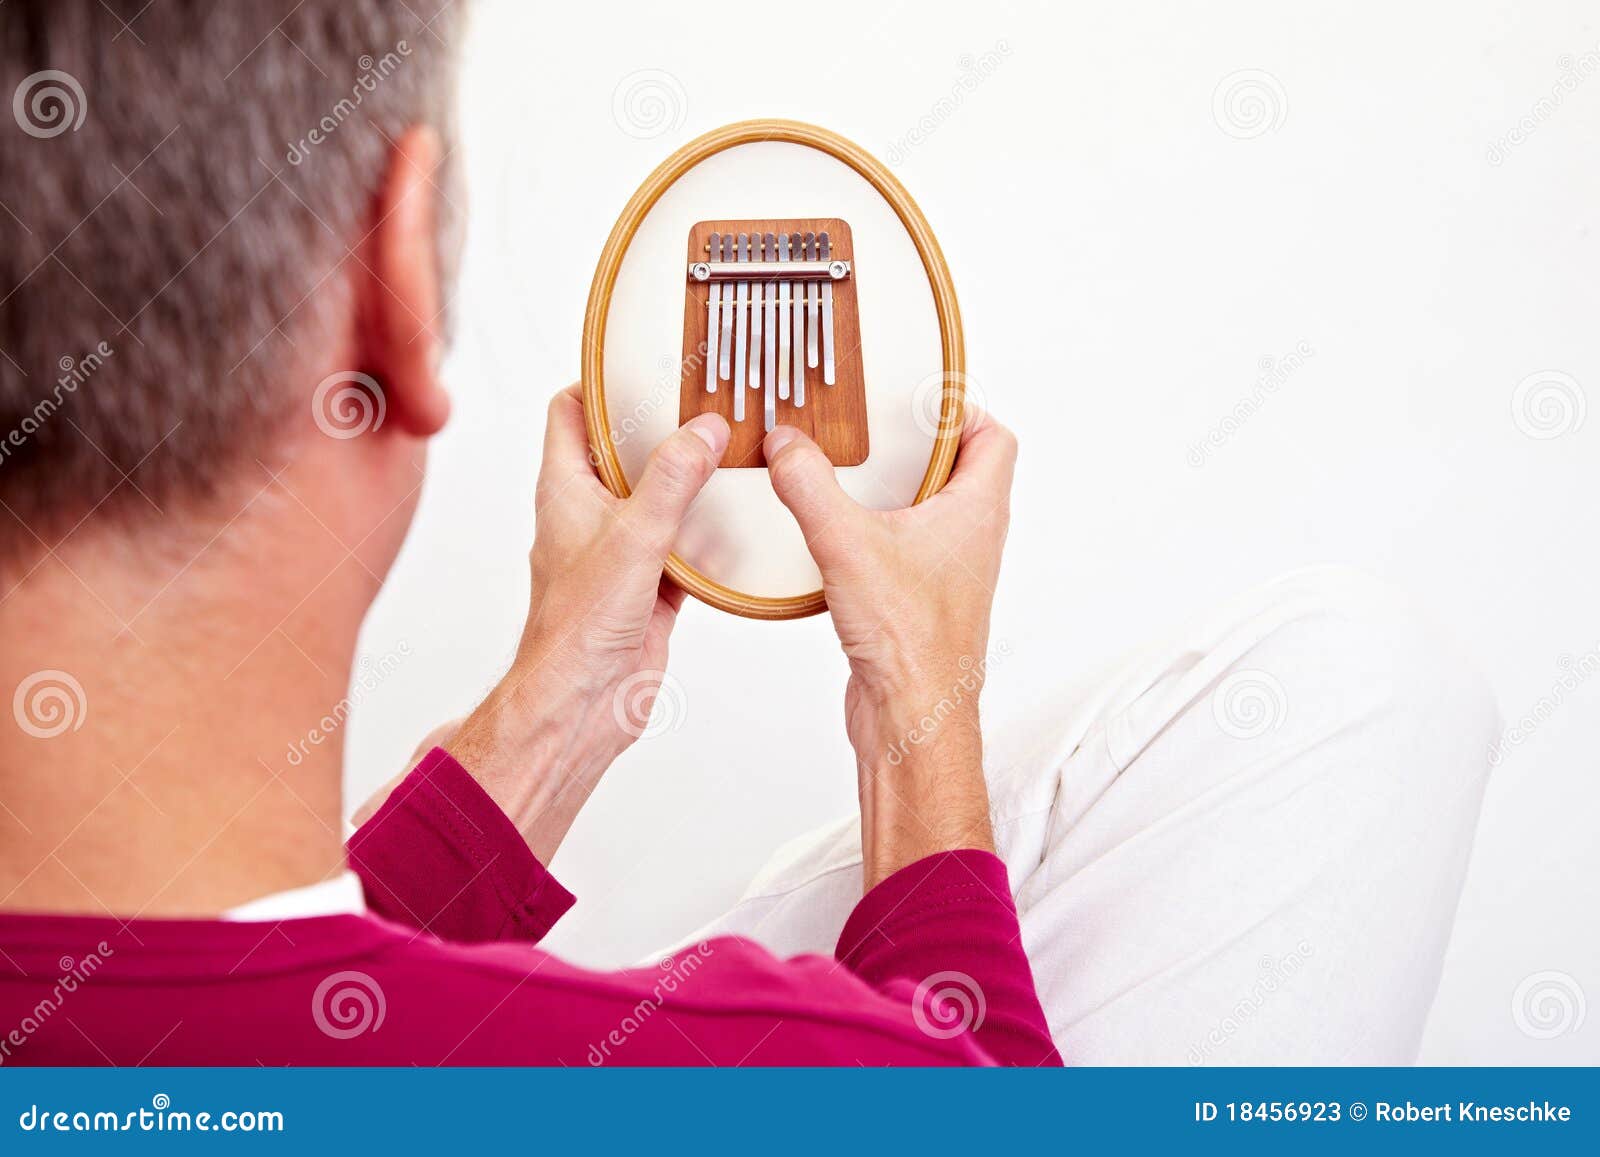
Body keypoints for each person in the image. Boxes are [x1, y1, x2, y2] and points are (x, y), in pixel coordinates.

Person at [0, 2, 1494, 1067]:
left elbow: (220, 1030)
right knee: (1364, 686)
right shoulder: (786, 1083)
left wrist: (553, 716)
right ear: (394, 279)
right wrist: (920, 715)